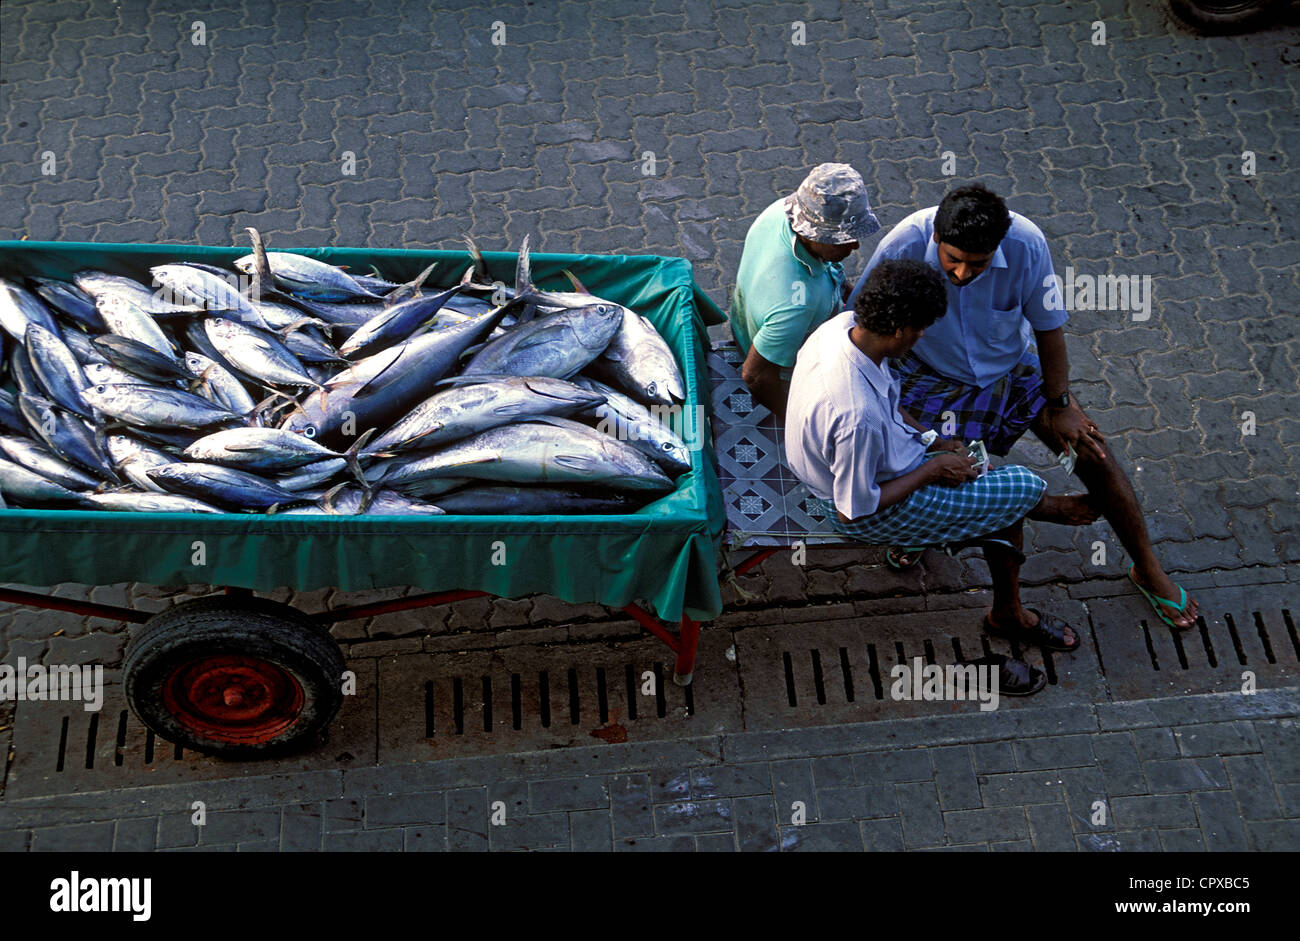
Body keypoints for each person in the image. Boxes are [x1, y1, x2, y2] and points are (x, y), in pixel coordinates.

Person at [849, 184, 1199, 630]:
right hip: (925, 372)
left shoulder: (1029, 244)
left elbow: (1049, 329)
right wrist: (897, 411)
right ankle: (922, 533)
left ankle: (1148, 568)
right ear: (935, 237)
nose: (960, 274)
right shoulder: (903, 242)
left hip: (1009, 367)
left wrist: (1062, 403)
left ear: (998, 245)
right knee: (926, 465)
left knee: (1093, 453)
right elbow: (861, 319)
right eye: (951, 260)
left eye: (976, 264)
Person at [786, 259, 1101, 694]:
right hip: (857, 504)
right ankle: (1013, 592)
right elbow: (854, 509)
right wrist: (934, 467)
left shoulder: (842, 329)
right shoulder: (854, 415)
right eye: (919, 329)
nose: (921, 338)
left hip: (863, 460)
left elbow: (891, 404)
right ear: (899, 329)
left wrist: (933, 441)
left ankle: (980, 535)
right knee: (1018, 491)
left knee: (981, 473)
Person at [728, 163, 880, 421]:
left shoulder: (781, 210)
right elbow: (754, 375)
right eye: (842, 239)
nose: (854, 245)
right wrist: (795, 420)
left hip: (750, 327)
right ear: (812, 235)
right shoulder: (796, 305)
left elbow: (833, 274)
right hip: (786, 366)